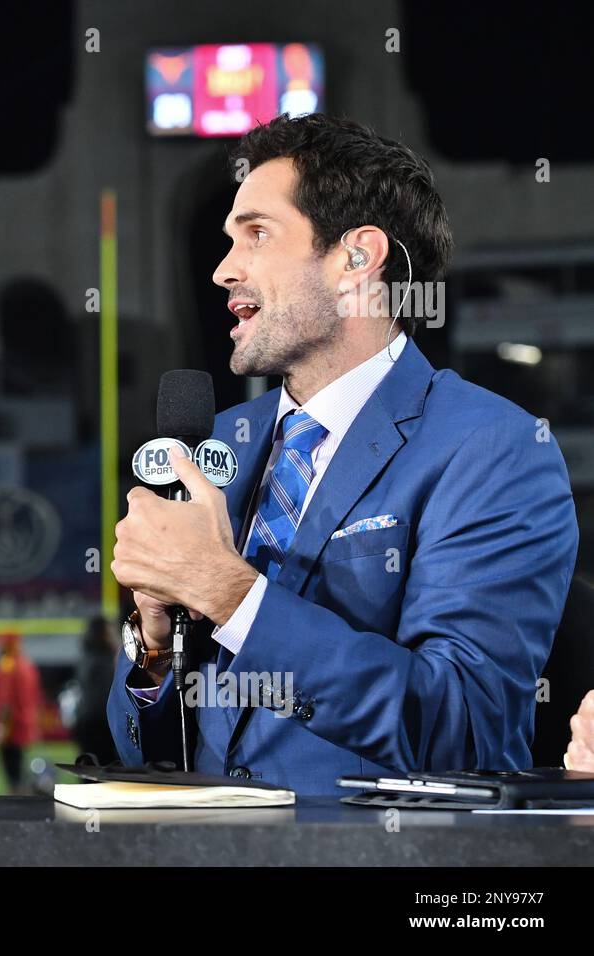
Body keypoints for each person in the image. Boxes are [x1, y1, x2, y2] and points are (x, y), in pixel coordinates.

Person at [108, 113, 578, 795]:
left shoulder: (493, 450)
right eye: (227, 240)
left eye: (257, 235)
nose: (222, 270)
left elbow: (466, 728)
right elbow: (143, 749)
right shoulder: (226, 444)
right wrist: (153, 646)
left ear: (357, 258)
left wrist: (231, 595)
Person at [0, 632, 43, 793]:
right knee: (19, 772)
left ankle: (18, 811)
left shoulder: (8, 666)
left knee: (14, 777)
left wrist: (0, 729)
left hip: (11, 728)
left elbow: (5, 701)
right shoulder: (27, 665)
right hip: (23, 726)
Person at [70, 615, 117, 764]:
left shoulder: (87, 657)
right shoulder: (103, 660)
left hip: (87, 722)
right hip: (100, 724)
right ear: (102, 634)